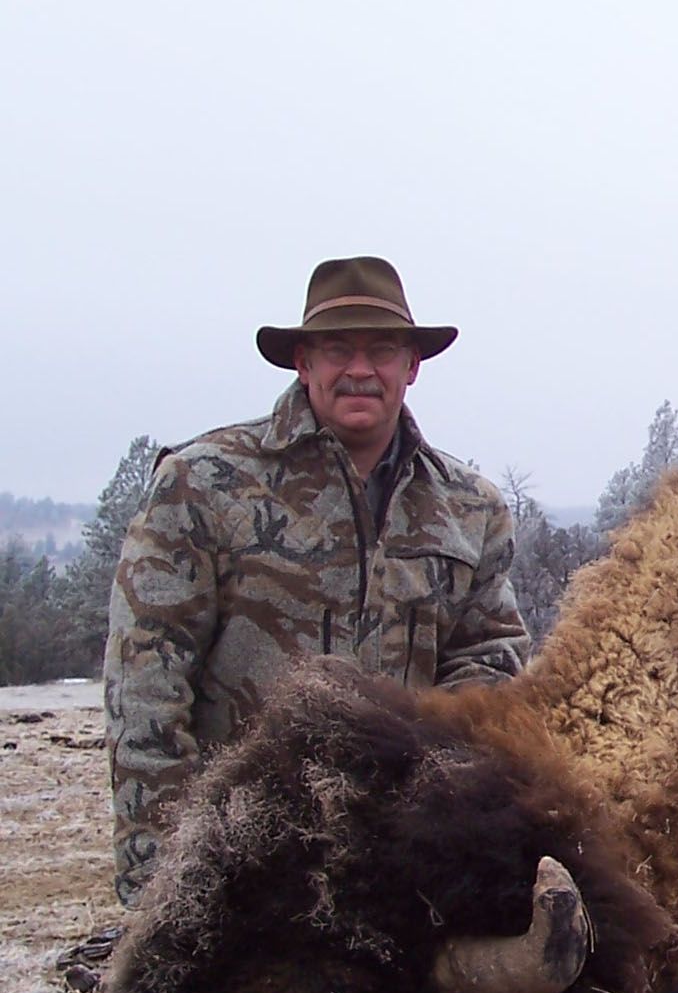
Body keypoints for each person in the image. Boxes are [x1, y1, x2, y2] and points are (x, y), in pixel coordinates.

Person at [103, 256, 530, 906]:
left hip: (405, 871)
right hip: (237, 862)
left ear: (411, 365)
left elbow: (489, 671)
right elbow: (147, 685)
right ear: (303, 361)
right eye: (338, 348)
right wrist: (160, 883)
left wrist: (453, 821)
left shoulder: (472, 509)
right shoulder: (201, 484)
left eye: (382, 349)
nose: (360, 369)